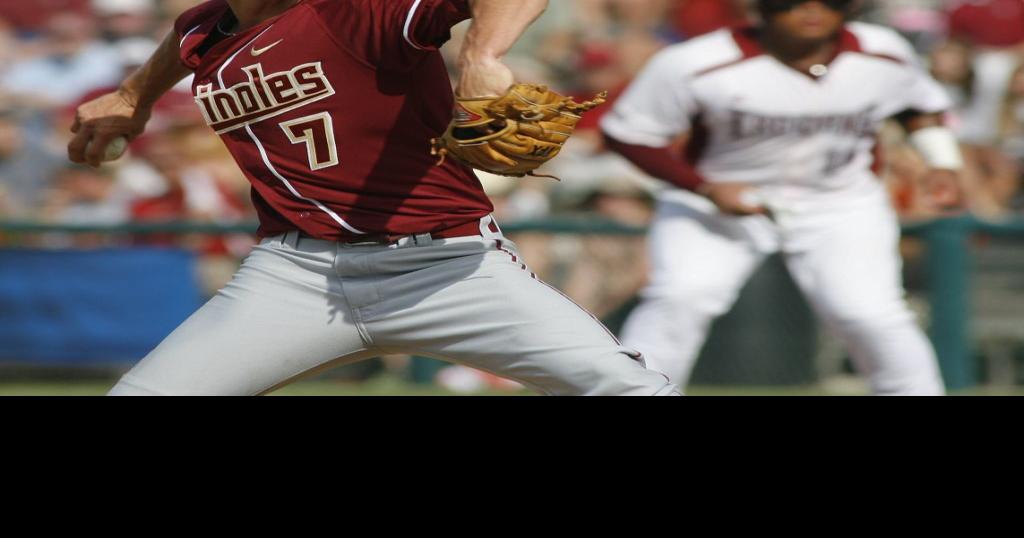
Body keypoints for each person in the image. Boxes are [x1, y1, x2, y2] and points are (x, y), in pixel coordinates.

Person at [68, 0, 679, 396]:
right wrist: (133, 96)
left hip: (447, 267)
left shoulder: (354, 12)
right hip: (296, 275)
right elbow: (185, 41)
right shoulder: (205, 29)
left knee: (626, 388)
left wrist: (481, 55)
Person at [601, 0, 963, 395]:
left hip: (839, 200)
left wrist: (941, 161)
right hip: (716, 202)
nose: (812, 10)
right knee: (680, 299)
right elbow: (628, 133)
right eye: (791, 0)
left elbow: (918, 106)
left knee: (871, 315)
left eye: (829, 0)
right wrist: (703, 186)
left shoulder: (882, 50)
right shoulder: (696, 60)